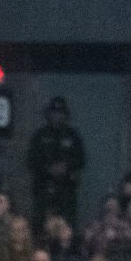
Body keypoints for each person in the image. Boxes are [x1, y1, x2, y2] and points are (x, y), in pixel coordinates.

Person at [26, 97, 86, 227]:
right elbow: (31, 161)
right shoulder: (40, 135)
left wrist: (66, 167)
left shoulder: (72, 136)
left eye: (59, 113)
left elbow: (81, 160)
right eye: (53, 112)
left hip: (66, 189)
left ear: (65, 115)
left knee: (67, 225)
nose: (56, 115)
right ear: (49, 114)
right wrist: (48, 169)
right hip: (43, 188)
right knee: (41, 225)